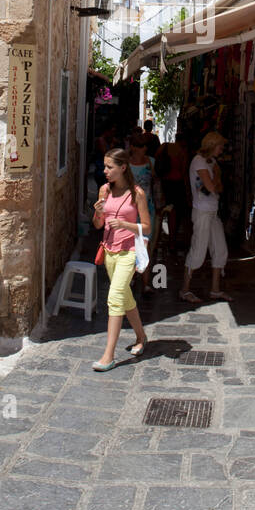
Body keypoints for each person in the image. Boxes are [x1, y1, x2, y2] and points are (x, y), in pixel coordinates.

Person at [91, 148, 150, 370]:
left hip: (128, 252)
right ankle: (141, 336)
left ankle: (108, 356)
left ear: (123, 168)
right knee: (125, 298)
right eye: (104, 166)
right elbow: (98, 225)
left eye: (109, 167)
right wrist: (97, 212)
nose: (105, 171)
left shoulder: (137, 194)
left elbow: (147, 226)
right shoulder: (104, 191)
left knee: (115, 297)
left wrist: (125, 224)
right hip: (109, 252)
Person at [181, 131, 229, 303]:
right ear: (212, 145)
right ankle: (185, 290)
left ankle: (215, 290)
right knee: (198, 250)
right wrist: (216, 176)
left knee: (220, 249)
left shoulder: (211, 162)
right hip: (202, 212)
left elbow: (218, 187)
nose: (222, 149)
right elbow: (211, 187)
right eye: (220, 145)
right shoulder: (199, 161)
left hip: (212, 211)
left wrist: (215, 179)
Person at [126, 130, 158, 292]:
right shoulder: (126, 164)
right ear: (132, 147)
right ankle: (133, 278)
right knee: (131, 247)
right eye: (138, 145)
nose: (141, 149)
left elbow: (156, 184)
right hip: (130, 211)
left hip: (148, 210)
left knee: (144, 246)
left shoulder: (151, 162)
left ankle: (145, 282)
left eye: (143, 145)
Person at [154, 127, 190, 251]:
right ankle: (172, 241)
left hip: (164, 183)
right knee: (176, 213)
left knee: (163, 212)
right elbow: (184, 171)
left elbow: (156, 160)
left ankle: (158, 239)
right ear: (184, 141)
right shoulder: (182, 152)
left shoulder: (165, 146)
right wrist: (187, 190)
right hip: (177, 184)